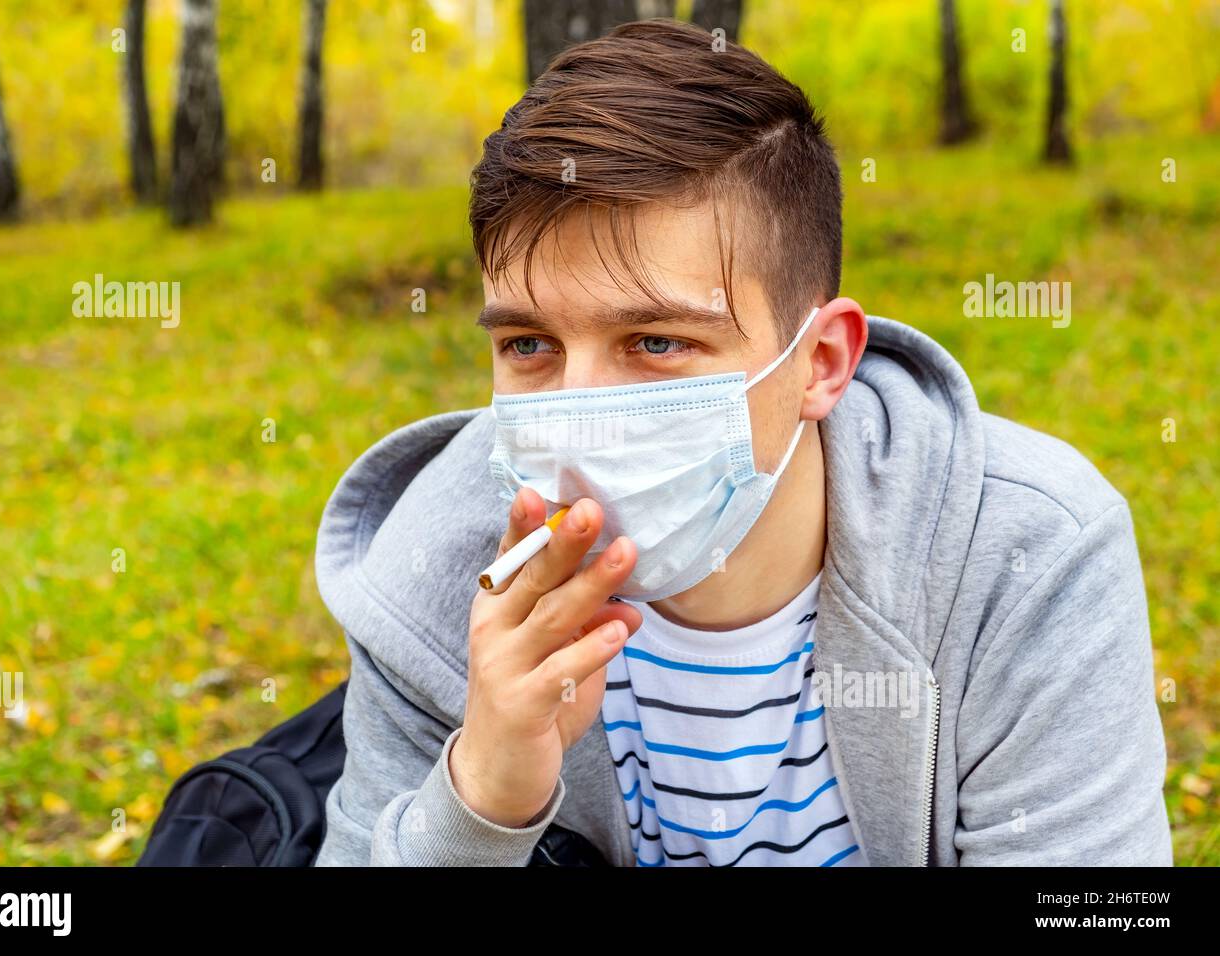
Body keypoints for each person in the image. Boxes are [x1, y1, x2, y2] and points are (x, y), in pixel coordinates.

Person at [312, 19, 1171, 867]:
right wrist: (480, 804)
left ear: (821, 362)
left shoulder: (1025, 556)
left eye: (656, 342)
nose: (580, 415)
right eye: (529, 345)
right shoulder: (438, 569)